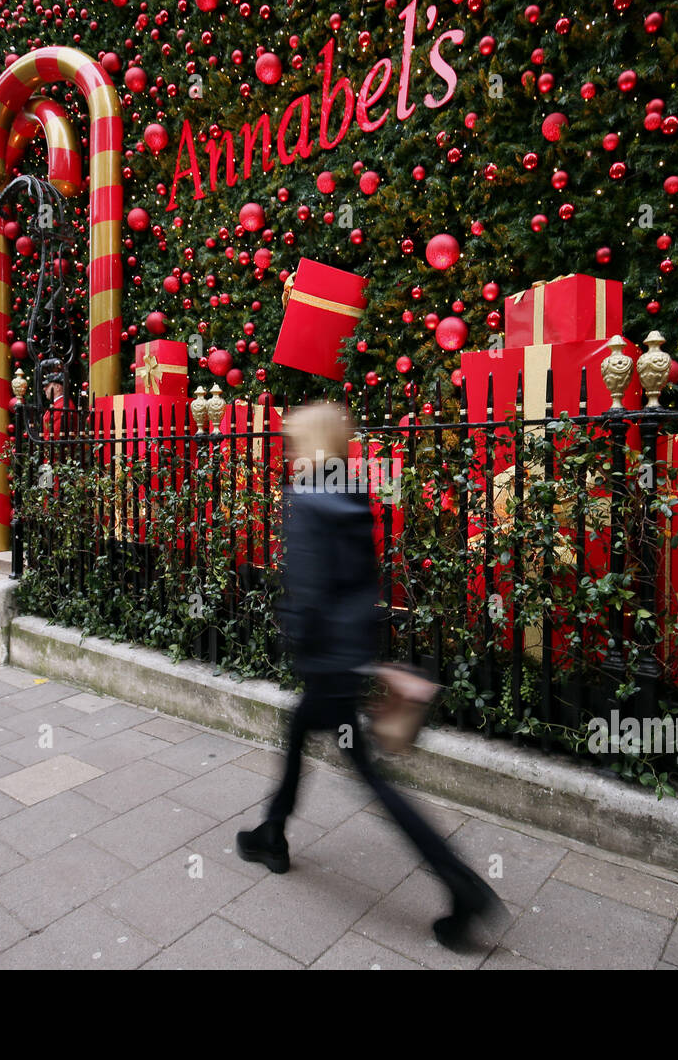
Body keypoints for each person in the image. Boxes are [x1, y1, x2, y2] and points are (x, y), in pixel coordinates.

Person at [236, 401, 506, 950]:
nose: (287, 448)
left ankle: (463, 887)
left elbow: (309, 590)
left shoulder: (309, 498)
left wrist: (302, 647)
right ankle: (272, 832)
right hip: (347, 655)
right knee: (299, 732)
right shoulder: (352, 495)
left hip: (326, 661)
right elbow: (362, 586)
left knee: (372, 778)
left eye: (292, 439)